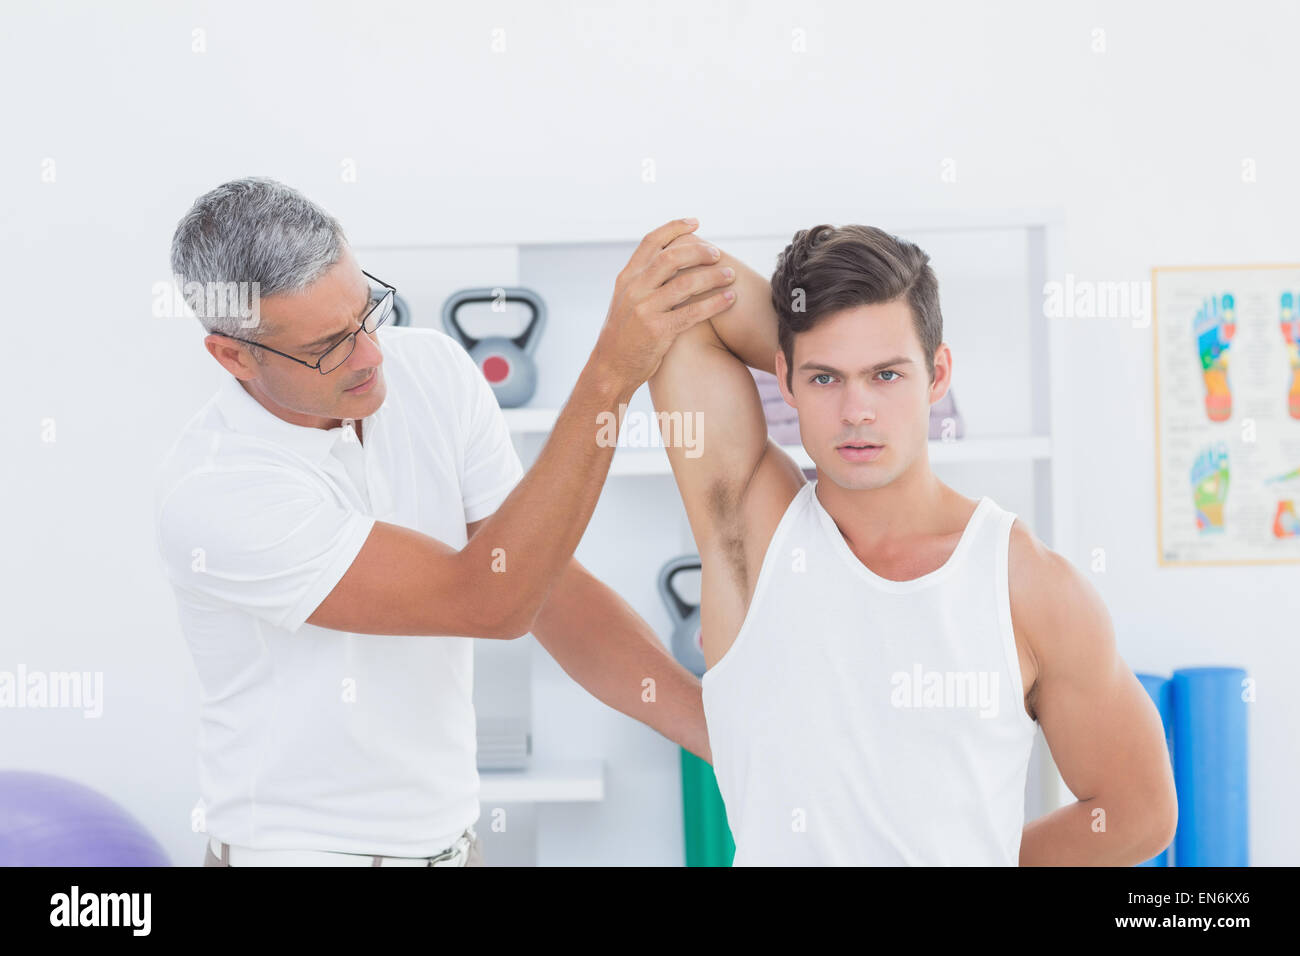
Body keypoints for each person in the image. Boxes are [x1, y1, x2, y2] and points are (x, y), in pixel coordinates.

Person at [153, 177, 737, 866]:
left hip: (452, 851)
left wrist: (727, 738)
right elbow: (491, 600)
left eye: (368, 310)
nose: (373, 354)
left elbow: (548, 588)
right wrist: (611, 373)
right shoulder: (218, 488)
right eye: (328, 347)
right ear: (234, 355)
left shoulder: (431, 370)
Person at [647, 224, 1178, 865]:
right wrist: (811, 335)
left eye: (888, 374)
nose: (857, 410)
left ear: (938, 374)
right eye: (825, 380)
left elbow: (1138, 812)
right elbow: (674, 275)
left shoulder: (1030, 585)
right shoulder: (750, 535)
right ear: (782, 378)